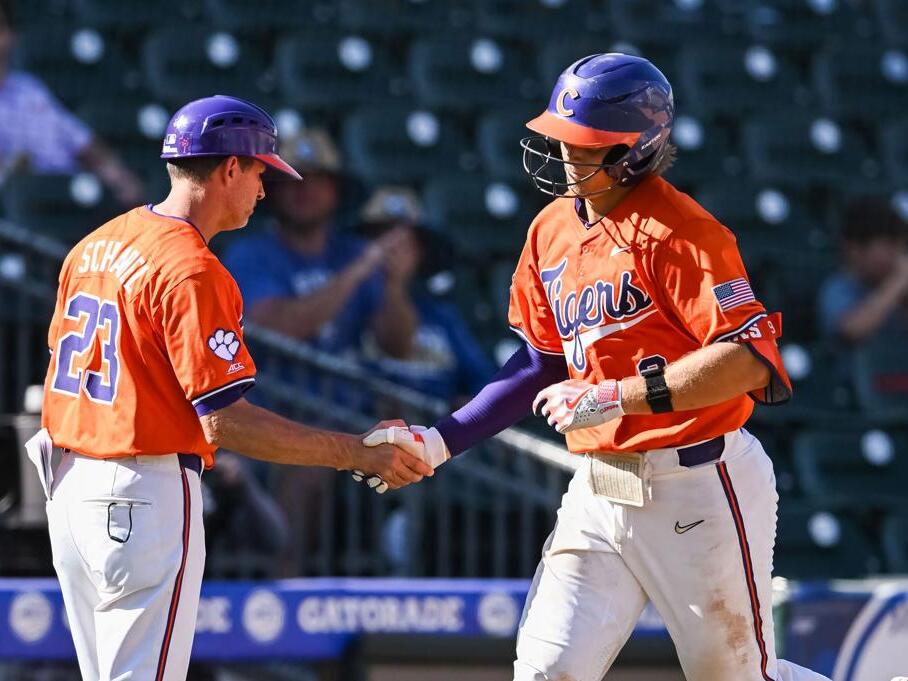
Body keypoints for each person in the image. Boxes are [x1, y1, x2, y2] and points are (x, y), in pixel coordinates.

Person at [361, 54, 830, 680]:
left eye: (585, 143)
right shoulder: (550, 228)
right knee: (545, 671)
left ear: (637, 149)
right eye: (562, 137)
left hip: (699, 482)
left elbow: (748, 361)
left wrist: (616, 396)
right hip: (599, 486)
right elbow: (541, 362)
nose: (566, 154)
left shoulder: (684, 230)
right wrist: (441, 441)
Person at [27, 95, 432, 681]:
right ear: (231, 168)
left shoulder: (95, 244)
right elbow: (225, 420)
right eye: (262, 172)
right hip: (141, 489)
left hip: (70, 489)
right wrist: (356, 452)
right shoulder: (192, 267)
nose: (264, 190)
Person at [223, 128, 416, 360]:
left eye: (319, 180)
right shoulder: (249, 255)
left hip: (344, 383)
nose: (305, 188)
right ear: (273, 191)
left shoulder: (353, 251)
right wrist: (357, 270)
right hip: (275, 382)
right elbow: (275, 331)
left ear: (337, 191)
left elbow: (397, 349)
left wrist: (394, 286)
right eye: (292, 179)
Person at [358, 186, 495, 403]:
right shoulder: (347, 305)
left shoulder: (441, 315)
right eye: (383, 239)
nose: (393, 251)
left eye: (404, 242)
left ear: (420, 251)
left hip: (434, 420)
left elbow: (483, 383)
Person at [0, 0, 144, 205]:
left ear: (11, 35)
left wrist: (116, 174)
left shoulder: (29, 88)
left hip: (72, 196)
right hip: (27, 205)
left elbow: (82, 141)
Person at [818, 197, 908, 348]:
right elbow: (852, 331)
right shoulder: (837, 288)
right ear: (854, 250)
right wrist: (898, 281)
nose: (897, 256)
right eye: (889, 247)